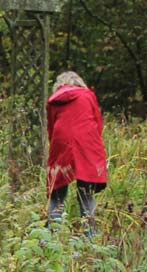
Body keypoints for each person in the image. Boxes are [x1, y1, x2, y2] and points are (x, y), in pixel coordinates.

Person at [45, 71, 107, 234]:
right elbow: (97, 123)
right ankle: (90, 239)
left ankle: (50, 239)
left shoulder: (53, 101)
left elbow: (51, 130)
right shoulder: (88, 96)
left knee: (57, 195)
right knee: (86, 194)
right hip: (86, 144)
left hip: (61, 144)